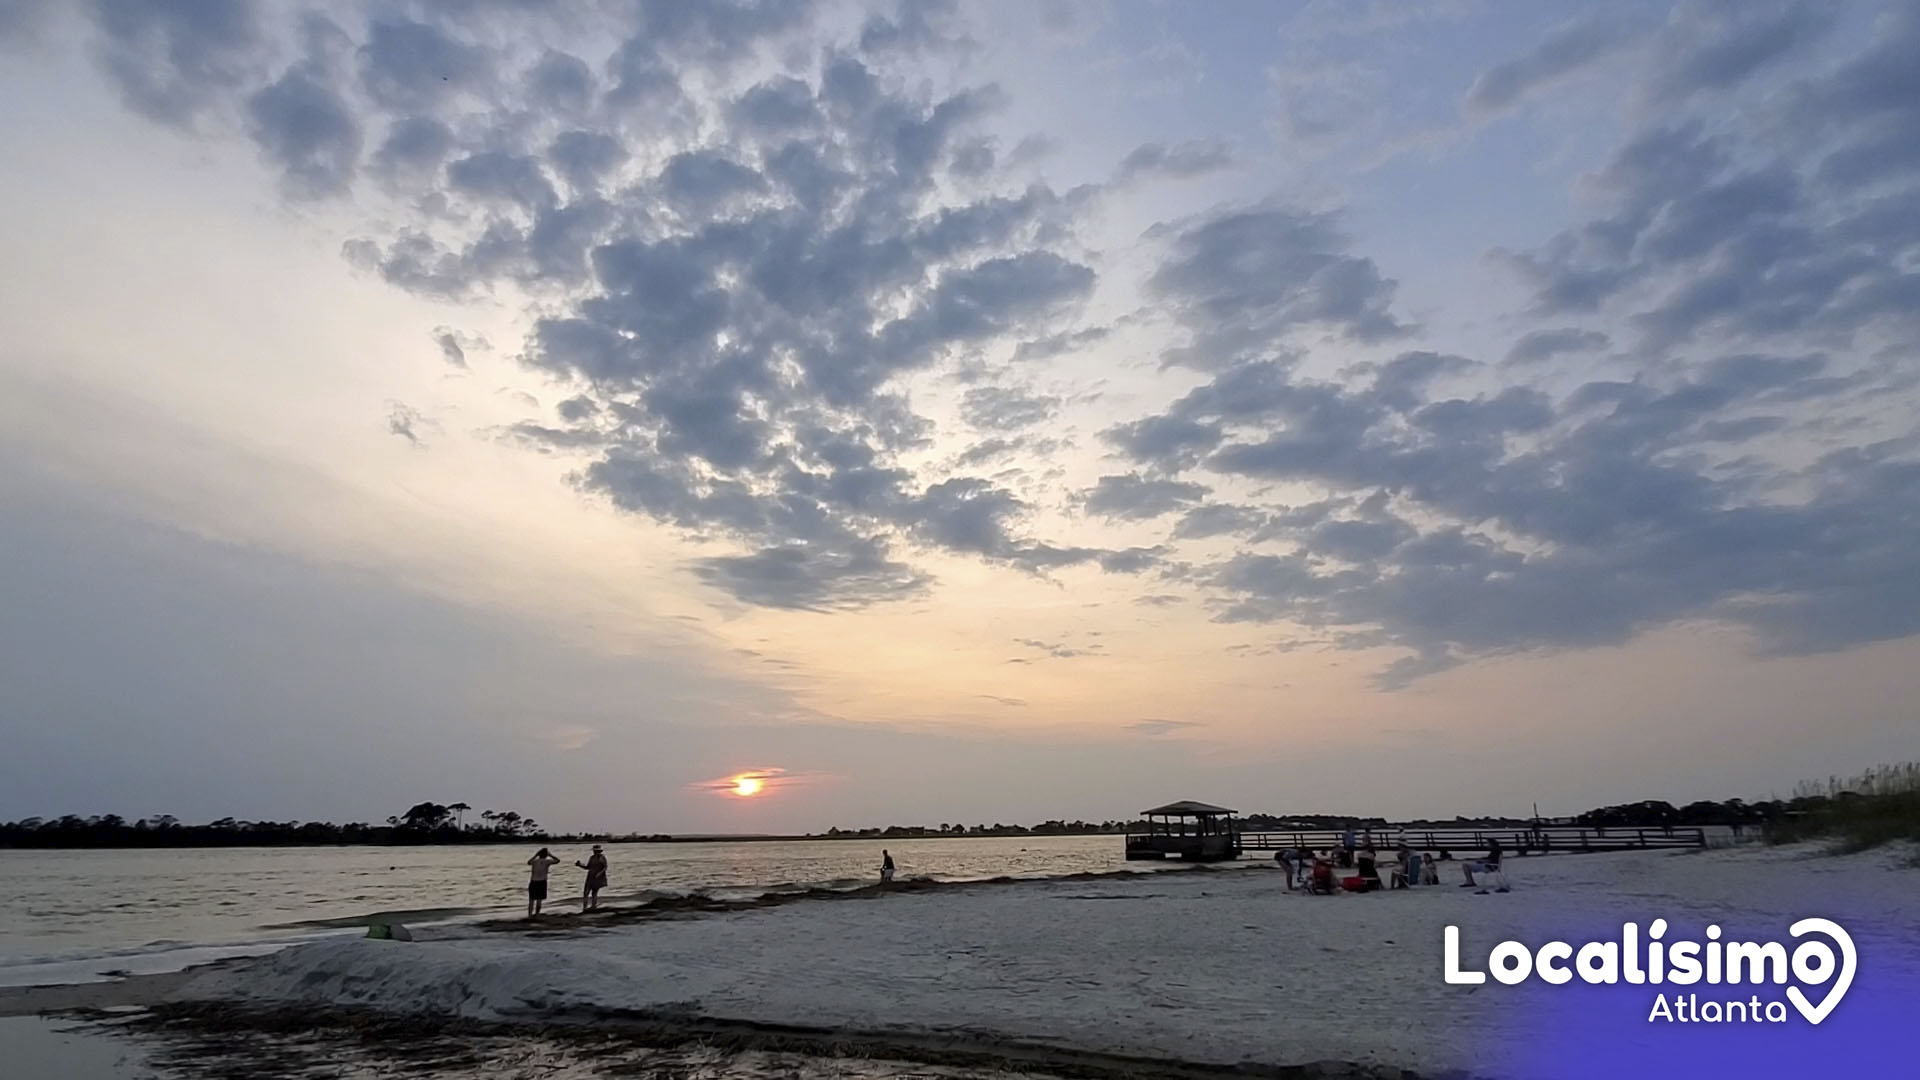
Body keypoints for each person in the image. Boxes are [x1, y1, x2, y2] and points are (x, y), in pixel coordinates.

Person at [526, 847, 561, 917]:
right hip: (542, 882)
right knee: (539, 900)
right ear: (546, 855)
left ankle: (530, 915)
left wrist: (536, 855)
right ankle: (537, 914)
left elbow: (528, 862)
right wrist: (550, 855)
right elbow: (557, 860)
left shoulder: (535, 861)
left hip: (533, 881)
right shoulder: (547, 861)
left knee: (531, 900)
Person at [575, 844, 609, 912]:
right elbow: (588, 867)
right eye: (595, 851)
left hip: (598, 877)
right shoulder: (592, 857)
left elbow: (605, 867)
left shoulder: (602, 857)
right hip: (590, 876)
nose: (596, 852)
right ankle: (585, 907)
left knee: (594, 892)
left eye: (597, 851)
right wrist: (580, 865)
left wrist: (599, 873)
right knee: (586, 892)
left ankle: (593, 906)